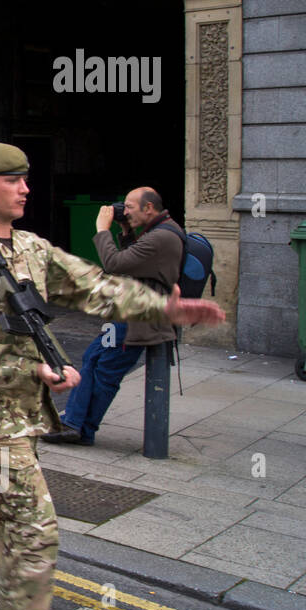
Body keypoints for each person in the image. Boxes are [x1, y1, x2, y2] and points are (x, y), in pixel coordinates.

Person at [0, 143, 225, 610]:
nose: (26, 188)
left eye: (26, 178)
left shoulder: (33, 249)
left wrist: (163, 309)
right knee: (34, 536)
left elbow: (96, 286)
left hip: (26, 412)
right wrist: (36, 371)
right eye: (12, 180)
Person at [44, 188, 183, 446]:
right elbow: (134, 262)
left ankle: (80, 426)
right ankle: (75, 424)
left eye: (129, 207)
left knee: (106, 369)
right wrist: (127, 230)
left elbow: (115, 264)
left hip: (138, 320)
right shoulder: (158, 232)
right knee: (93, 357)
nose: (124, 210)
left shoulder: (161, 237)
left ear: (149, 208)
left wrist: (102, 229)